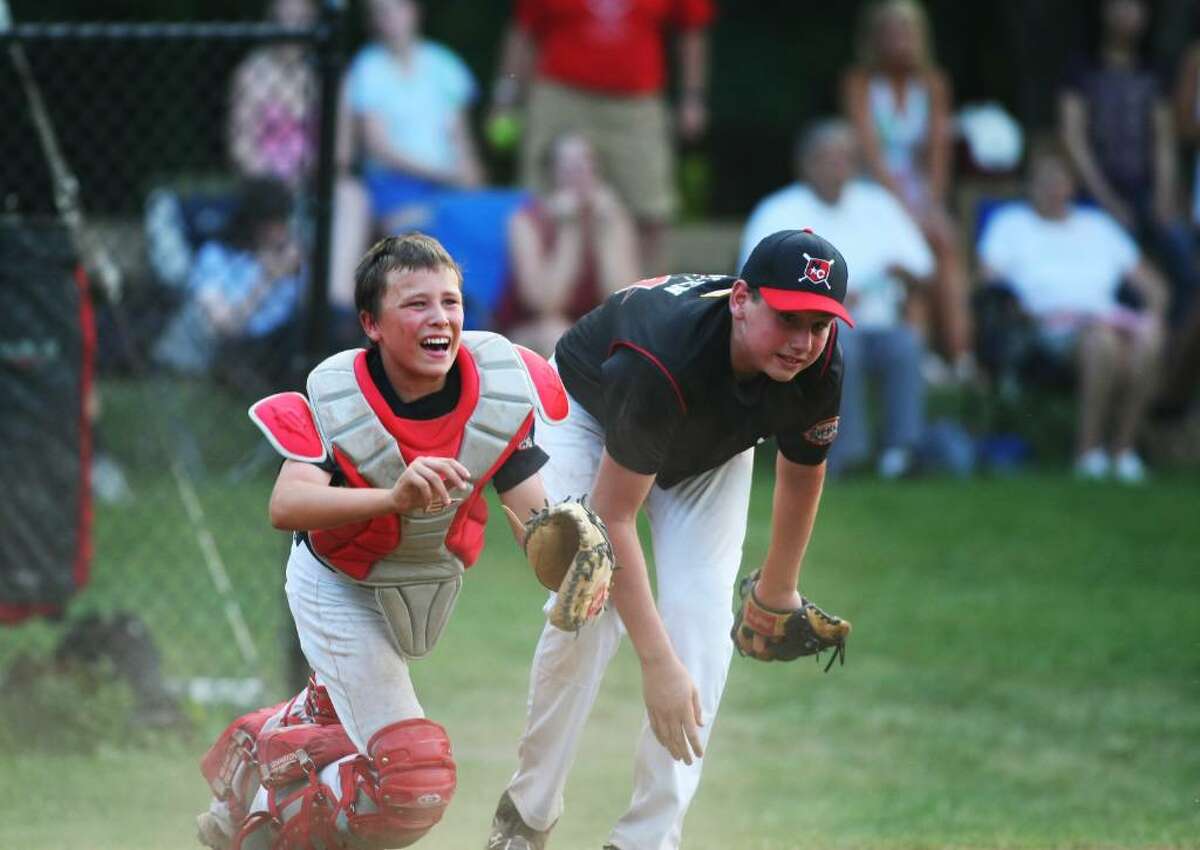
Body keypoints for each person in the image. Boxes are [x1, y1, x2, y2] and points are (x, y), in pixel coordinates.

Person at [194, 233, 572, 850]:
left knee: (368, 735)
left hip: (420, 581)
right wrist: (392, 498)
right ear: (371, 324)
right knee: (411, 780)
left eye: (450, 302)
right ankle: (264, 815)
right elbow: (287, 505)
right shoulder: (341, 395)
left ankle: (272, 739)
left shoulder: (496, 388)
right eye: (416, 304)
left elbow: (535, 518)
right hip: (336, 582)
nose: (440, 318)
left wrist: (571, 558)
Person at [487, 229, 853, 850]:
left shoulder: (818, 362)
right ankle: (527, 815)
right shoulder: (661, 353)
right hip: (590, 414)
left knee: (703, 631)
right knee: (588, 601)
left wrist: (778, 588)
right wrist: (656, 665)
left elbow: (802, 470)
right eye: (788, 317)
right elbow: (613, 520)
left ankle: (646, 840)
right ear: (741, 299)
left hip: (707, 450)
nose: (803, 340)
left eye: (819, 324)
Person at [740, 119, 934, 478]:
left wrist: (902, 273)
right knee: (842, 345)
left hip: (880, 320)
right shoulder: (778, 211)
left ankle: (901, 452)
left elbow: (923, 269)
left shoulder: (878, 205)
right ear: (805, 164)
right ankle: (843, 453)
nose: (837, 167)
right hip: (808, 326)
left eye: (845, 158)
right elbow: (753, 283)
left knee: (906, 344)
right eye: (827, 159)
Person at [977, 146, 1168, 484]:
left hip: (1108, 320)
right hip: (1046, 329)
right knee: (1103, 343)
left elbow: (1154, 286)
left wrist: (1154, 313)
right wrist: (1016, 310)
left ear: (1072, 185)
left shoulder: (1098, 226)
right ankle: (1088, 451)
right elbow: (986, 281)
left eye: (1059, 179)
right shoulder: (1010, 225)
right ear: (1029, 185)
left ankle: (1123, 450)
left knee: (1148, 341)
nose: (1053, 187)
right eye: (1044, 180)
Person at [489, 0, 714, 275]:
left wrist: (693, 97)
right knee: (541, 205)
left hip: (637, 103)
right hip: (560, 96)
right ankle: (536, 294)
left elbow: (692, 29)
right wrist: (506, 96)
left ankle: (652, 297)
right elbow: (524, 29)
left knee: (651, 214)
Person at [841, 0, 973, 377]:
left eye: (906, 31)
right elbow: (869, 153)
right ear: (874, 38)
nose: (899, 39)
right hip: (872, 193)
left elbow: (938, 154)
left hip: (918, 192)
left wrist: (930, 203)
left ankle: (960, 354)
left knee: (944, 244)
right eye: (890, 31)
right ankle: (921, 354)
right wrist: (903, 210)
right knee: (911, 252)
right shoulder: (859, 83)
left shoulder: (933, 84)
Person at [1061, 0, 1197, 328]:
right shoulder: (1082, 68)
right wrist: (1105, 198)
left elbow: (1163, 139)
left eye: (1135, 6)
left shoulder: (1153, 69)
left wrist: (1163, 196)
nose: (1127, 13)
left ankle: (1176, 346)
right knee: (1113, 270)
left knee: (1183, 260)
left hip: (1143, 190)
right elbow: (1073, 137)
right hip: (1093, 193)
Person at [345, 0, 484, 232]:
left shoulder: (444, 63)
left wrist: (472, 182)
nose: (390, 19)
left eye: (397, 8)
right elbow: (378, 147)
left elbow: (462, 140)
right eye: (380, 13)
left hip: (448, 182)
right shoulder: (367, 67)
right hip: (395, 184)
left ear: (414, 11)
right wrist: (445, 174)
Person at [152, 176, 305, 389]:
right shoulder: (216, 257)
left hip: (291, 335)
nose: (281, 232)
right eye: (274, 224)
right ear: (255, 224)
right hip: (244, 345)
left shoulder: (292, 256)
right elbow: (225, 326)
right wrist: (267, 280)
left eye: (284, 222)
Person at [496, 133, 640, 357]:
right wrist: (569, 229)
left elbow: (624, 302)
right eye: (569, 165)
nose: (580, 172)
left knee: (630, 334)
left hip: (591, 326)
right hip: (533, 329)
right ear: (551, 174)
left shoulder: (612, 217)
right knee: (556, 333)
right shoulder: (525, 221)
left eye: (586, 162)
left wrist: (606, 231)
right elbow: (544, 304)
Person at [228, 0, 319, 189]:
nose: (290, 29)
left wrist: (306, 175)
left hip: (315, 179)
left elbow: (338, 148)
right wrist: (276, 182)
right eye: (282, 20)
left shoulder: (322, 73)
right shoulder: (252, 74)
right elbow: (241, 148)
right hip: (265, 183)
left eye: (299, 20)